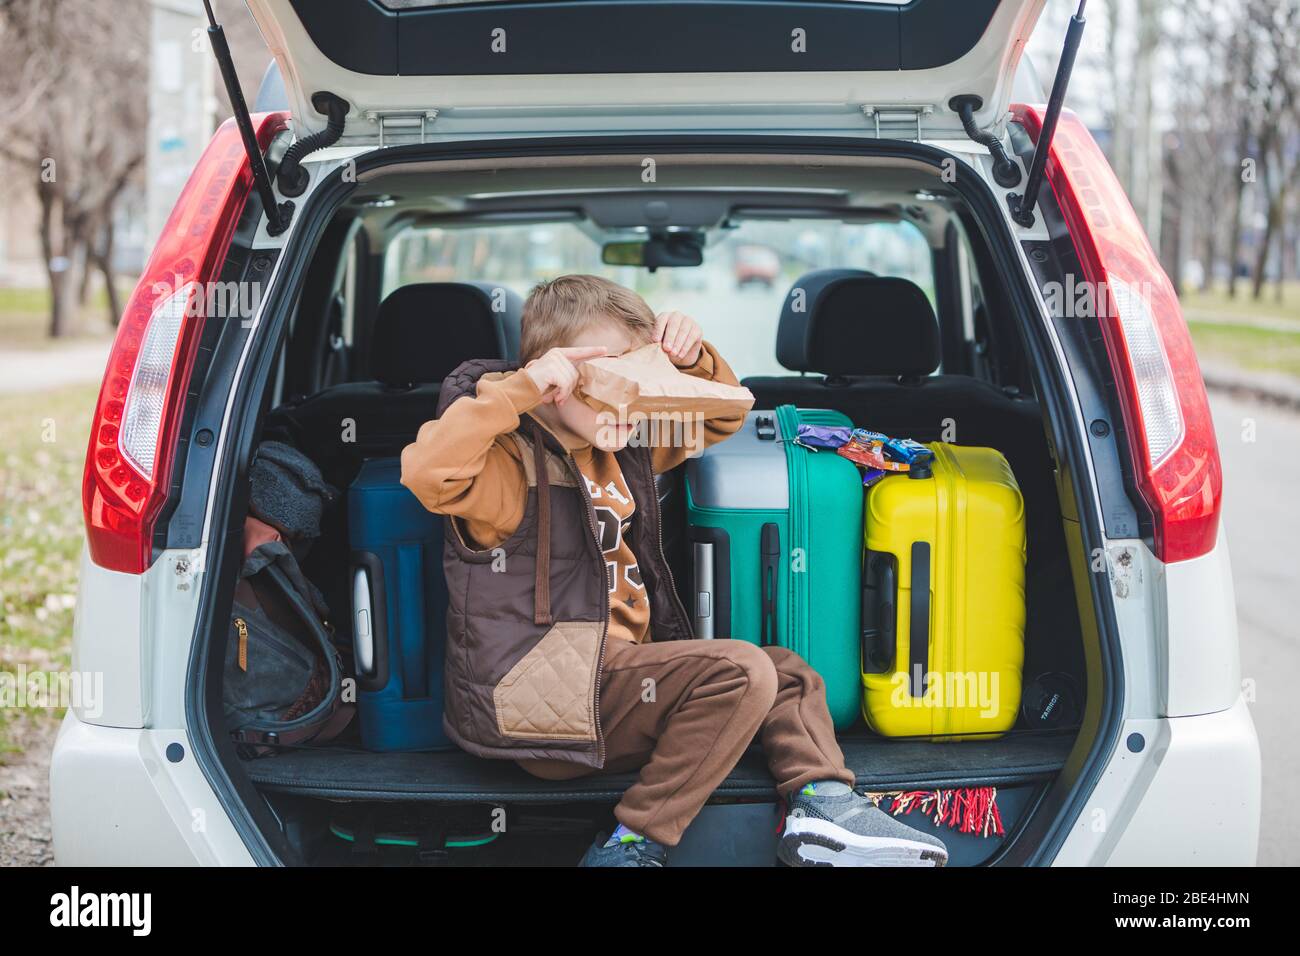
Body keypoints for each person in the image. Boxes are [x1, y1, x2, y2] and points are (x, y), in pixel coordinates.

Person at [401, 274, 948, 867]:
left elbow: (720, 420)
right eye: (609, 376)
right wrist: (519, 390)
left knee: (784, 669)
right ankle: (632, 842)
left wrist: (695, 358)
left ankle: (825, 807)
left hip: (618, 686)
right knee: (739, 671)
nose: (629, 397)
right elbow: (429, 472)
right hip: (544, 702)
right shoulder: (508, 467)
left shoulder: (622, 442)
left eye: (638, 375)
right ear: (557, 377)